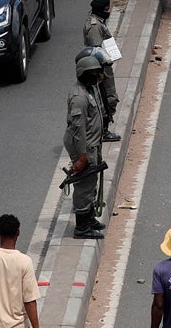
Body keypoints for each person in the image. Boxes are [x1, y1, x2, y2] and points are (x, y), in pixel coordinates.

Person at [64, 56, 106, 239]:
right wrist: (82, 158)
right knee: (84, 184)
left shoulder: (90, 88)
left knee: (91, 180)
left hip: (92, 143)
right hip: (83, 145)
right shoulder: (79, 98)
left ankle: (89, 218)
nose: (98, 75)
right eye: (94, 72)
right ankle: (81, 227)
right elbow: (78, 130)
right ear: (84, 74)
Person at [83, 0, 122, 142]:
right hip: (100, 69)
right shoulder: (94, 26)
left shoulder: (98, 21)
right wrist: (99, 73)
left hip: (103, 67)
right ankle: (103, 131)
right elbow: (96, 50)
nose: (109, 11)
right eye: (106, 9)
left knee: (106, 99)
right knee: (107, 99)